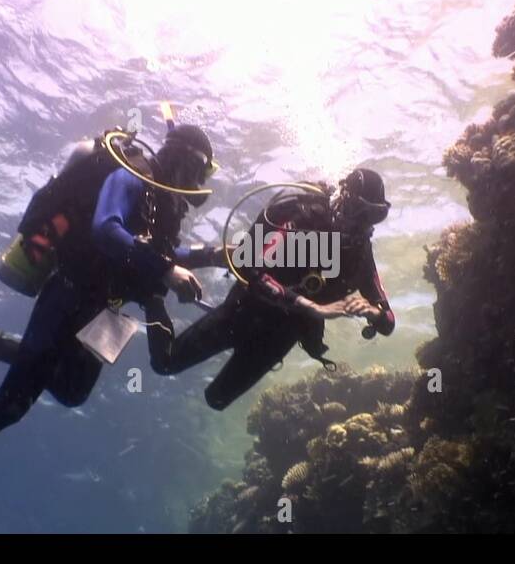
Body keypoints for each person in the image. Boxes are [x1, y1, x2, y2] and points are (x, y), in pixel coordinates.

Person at [0, 124, 225, 534]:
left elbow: (167, 252)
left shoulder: (161, 204)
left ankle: (3, 346)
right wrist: (169, 271)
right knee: (10, 406)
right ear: (184, 159)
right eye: (199, 172)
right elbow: (105, 228)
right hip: (69, 294)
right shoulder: (132, 173)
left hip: (106, 311)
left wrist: (215, 255)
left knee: (73, 392)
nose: (197, 186)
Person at [146, 168, 396, 411]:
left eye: (373, 217)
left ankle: (186, 262)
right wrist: (310, 306)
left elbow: (388, 321)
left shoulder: (360, 255)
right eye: (358, 211)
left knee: (217, 400)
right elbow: (249, 267)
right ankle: (151, 293)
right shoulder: (302, 217)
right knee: (165, 364)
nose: (362, 224)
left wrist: (374, 313)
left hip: (278, 339)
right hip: (242, 313)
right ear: (343, 197)